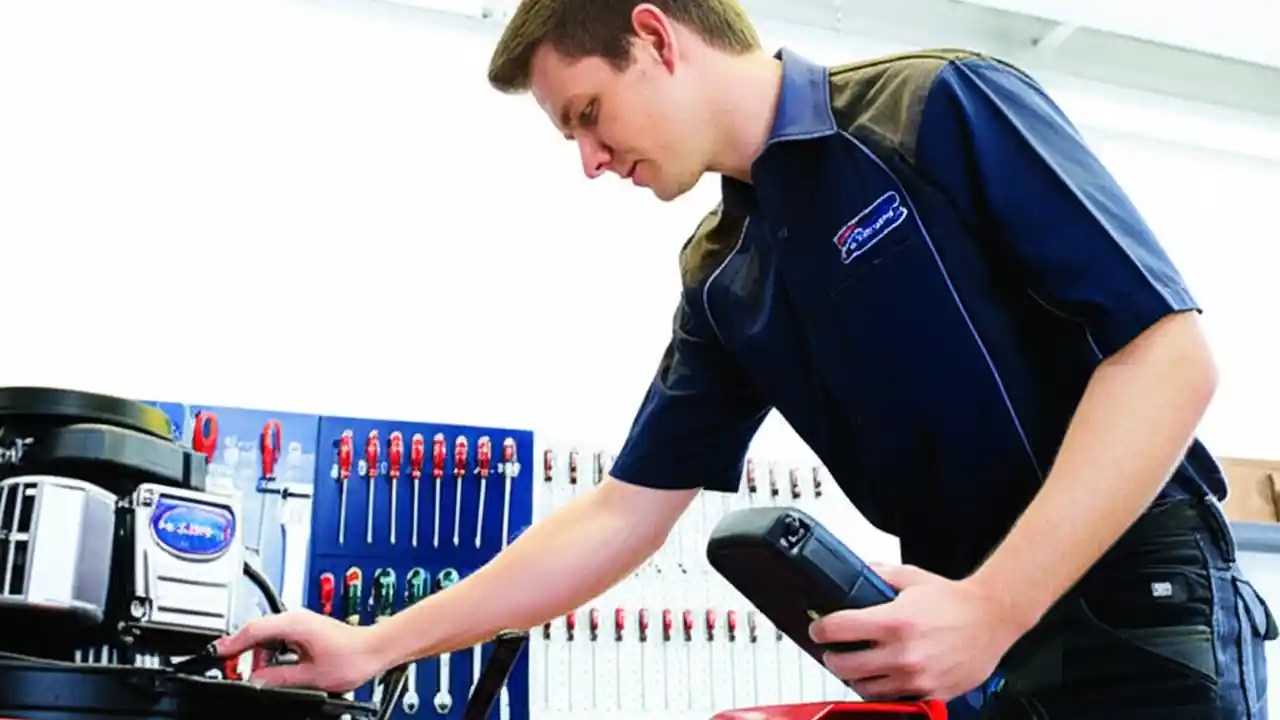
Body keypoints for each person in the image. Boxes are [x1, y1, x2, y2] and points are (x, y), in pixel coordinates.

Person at [215, 1, 1277, 717]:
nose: (588, 162)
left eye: (588, 115)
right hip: (960, 627)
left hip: (1131, 594)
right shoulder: (723, 275)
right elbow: (621, 512)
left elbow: (1167, 356)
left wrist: (994, 605)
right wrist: (376, 643)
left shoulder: (931, 107)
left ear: (655, 35)